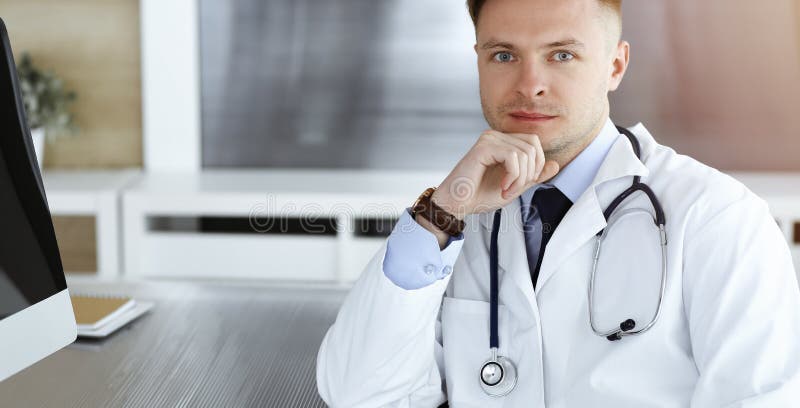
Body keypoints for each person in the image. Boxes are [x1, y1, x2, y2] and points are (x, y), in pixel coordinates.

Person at [316, 0, 800, 406]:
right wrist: (440, 214)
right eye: (504, 55)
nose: (530, 84)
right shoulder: (454, 223)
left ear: (615, 65)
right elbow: (359, 395)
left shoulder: (718, 220)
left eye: (562, 55)